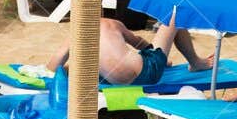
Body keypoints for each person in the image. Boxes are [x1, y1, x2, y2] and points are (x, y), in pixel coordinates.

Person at [48, 13, 212, 87]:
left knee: (78, 66)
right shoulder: (111, 23)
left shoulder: (77, 31)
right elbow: (138, 42)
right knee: (175, 17)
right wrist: (156, 55)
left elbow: (54, 66)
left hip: (112, 80)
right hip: (147, 73)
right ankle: (196, 62)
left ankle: (162, 59)